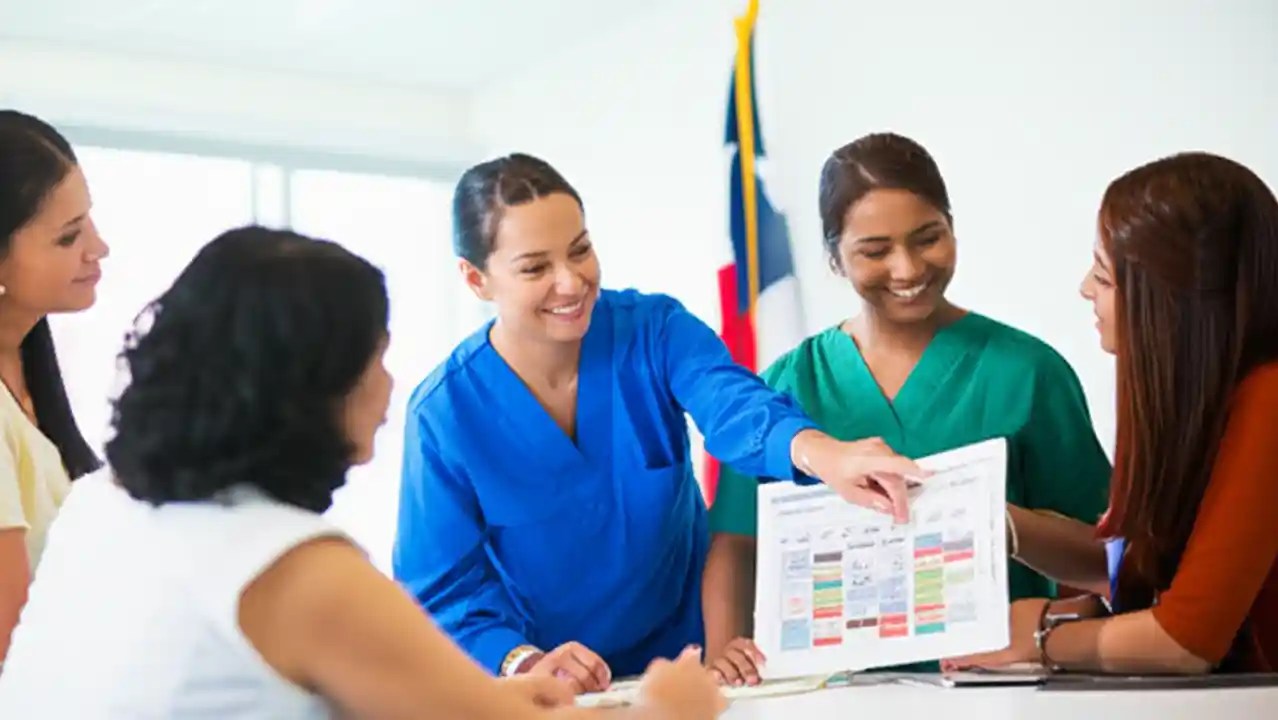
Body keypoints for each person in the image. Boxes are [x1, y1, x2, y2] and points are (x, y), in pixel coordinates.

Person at [0, 226, 727, 719]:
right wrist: (672, 708)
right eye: (376, 358)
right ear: (312, 388)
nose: (389, 389)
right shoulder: (293, 568)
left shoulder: (102, 504)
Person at [394, 153, 924, 692]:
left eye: (581, 250)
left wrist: (820, 451)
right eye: (535, 268)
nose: (572, 282)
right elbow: (443, 589)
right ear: (477, 279)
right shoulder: (444, 415)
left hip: (692, 662)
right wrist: (523, 662)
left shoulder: (653, 330)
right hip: (558, 685)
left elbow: (733, 403)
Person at [701, 133, 1112, 685]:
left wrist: (995, 525)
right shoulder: (787, 384)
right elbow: (736, 539)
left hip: (995, 686)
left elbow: (1104, 555)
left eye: (928, 239)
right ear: (833, 258)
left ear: (952, 228)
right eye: (874, 251)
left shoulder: (1028, 371)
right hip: (827, 693)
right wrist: (724, 652)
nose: (907, 268)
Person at [947, 152, 1278, 674]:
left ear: (1167, 303)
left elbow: (1186, 641)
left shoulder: (1270, 401)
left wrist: (1041, 637)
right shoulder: (1176, 398)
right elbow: (1130, 568)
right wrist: (988, 522)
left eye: (1103, 275)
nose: (1084, 288)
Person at [0, 110, 108, 665]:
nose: (99, 248)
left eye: (88, 222)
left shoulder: (29, 369)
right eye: (69, 237)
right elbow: (13, 641)